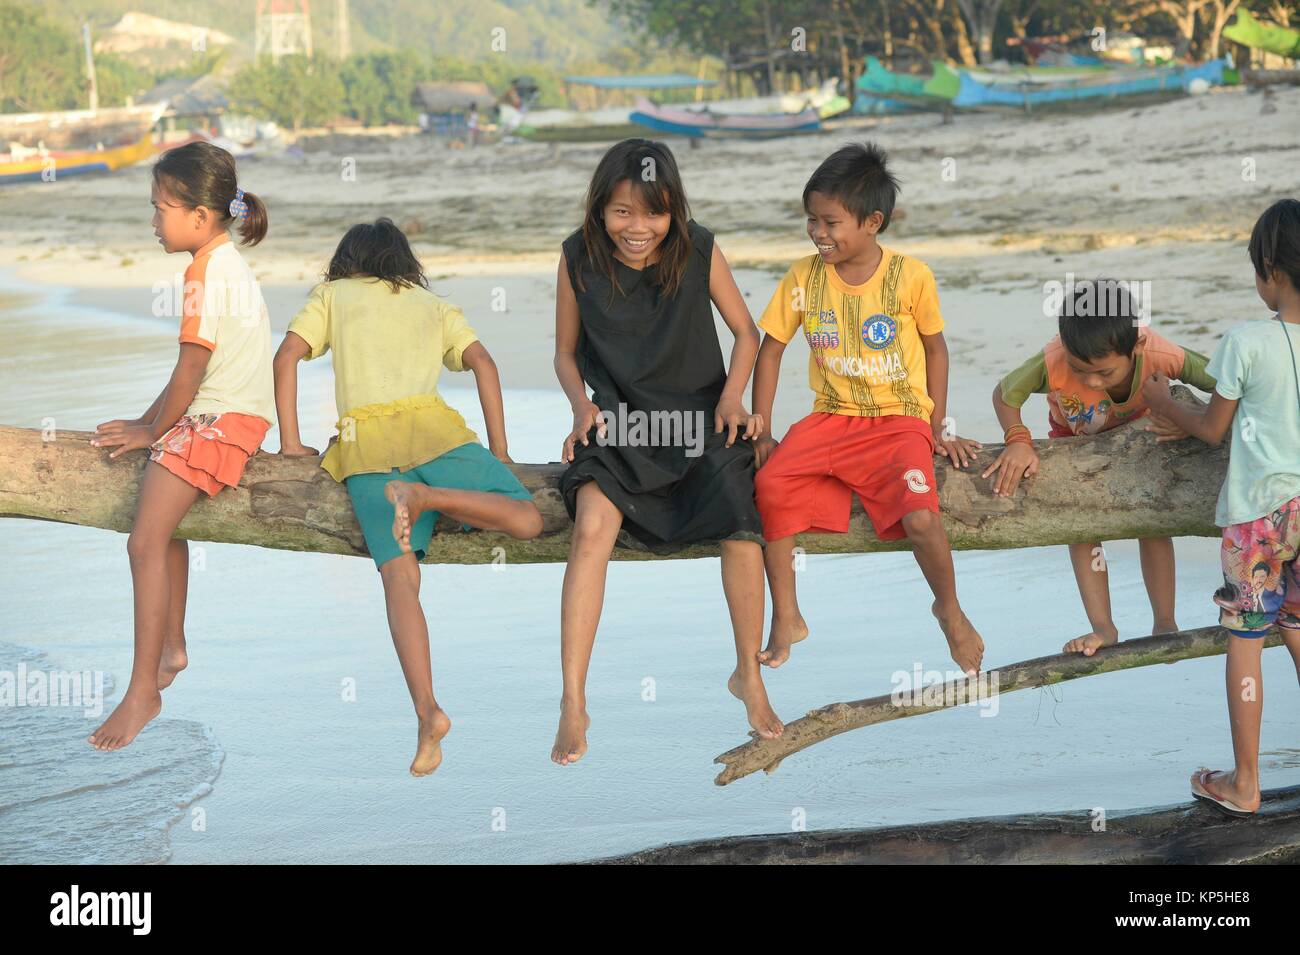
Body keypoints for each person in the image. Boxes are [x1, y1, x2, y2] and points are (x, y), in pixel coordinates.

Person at [274, 218, 543, 776]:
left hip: (366, 448)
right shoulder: (429, 303)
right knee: (527, 521)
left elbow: (286, 358)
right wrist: (500, 452)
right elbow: (485, 365)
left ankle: (428, 715)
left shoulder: (331, 295)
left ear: (348, 261)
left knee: (400, 580)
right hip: (437, 434)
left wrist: (292, 443)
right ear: (404, 262)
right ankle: (429, 495)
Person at [551, 138, 775, 765]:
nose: (637, 227)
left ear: (673, 210)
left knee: (740, 524)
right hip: (621, 422)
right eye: (622, 212)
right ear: (600, 210)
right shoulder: (576, 258)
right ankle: (573, 700)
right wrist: (582, 408)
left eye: (653, 213)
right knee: (592, 525)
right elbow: (566, 355)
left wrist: (735, 399)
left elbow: (747, 334)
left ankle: (747, 674)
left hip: (700, 420)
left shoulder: (698, 247)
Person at [751, 142, 985, 675]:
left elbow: (935, 349)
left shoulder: (911, 276)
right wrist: (762, 427)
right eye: (811, 220)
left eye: (831, 222)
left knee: (922, 516)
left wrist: (936, 426)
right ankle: (787, 615)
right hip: (831, 416)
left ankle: (948, 607)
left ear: (873, 222)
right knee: (768, 484)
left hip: (898, 420)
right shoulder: (802, 279)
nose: (818, 233)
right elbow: (771, 349)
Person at [88, 141, 274, 749]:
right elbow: (187, 378)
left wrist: (153, 432)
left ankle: (143, 691)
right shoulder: (225, 263)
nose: (153, 221)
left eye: (160, 208)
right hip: (227, 414)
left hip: (220, 423)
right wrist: (144, 424)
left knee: (143, 543)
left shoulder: (202, 273)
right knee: (163, 526)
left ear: (199, 215)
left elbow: (193, 372)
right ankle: (172, 645)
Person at [1141, 198, 1300, 817]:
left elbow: (1212, 428)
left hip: (1261, 518)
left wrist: (1164, 401)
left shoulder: (1246, 342)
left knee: (1247, 640)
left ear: (1270, 270)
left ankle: (1246, 782)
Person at [983, 278, 1216, 654]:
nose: (1090, 380)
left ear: (1136, 346)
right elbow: (1005, 393)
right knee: (1082, 528)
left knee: (1152, 520)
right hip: (1076, 442)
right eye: (1079, 370)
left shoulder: (1158, 352)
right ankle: (1104, 627)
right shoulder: (1055, 358)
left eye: (1104, 373)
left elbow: (1225, 383)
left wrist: (1189, 415)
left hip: (1142, 440)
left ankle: (1165, 621)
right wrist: (1018, 440)